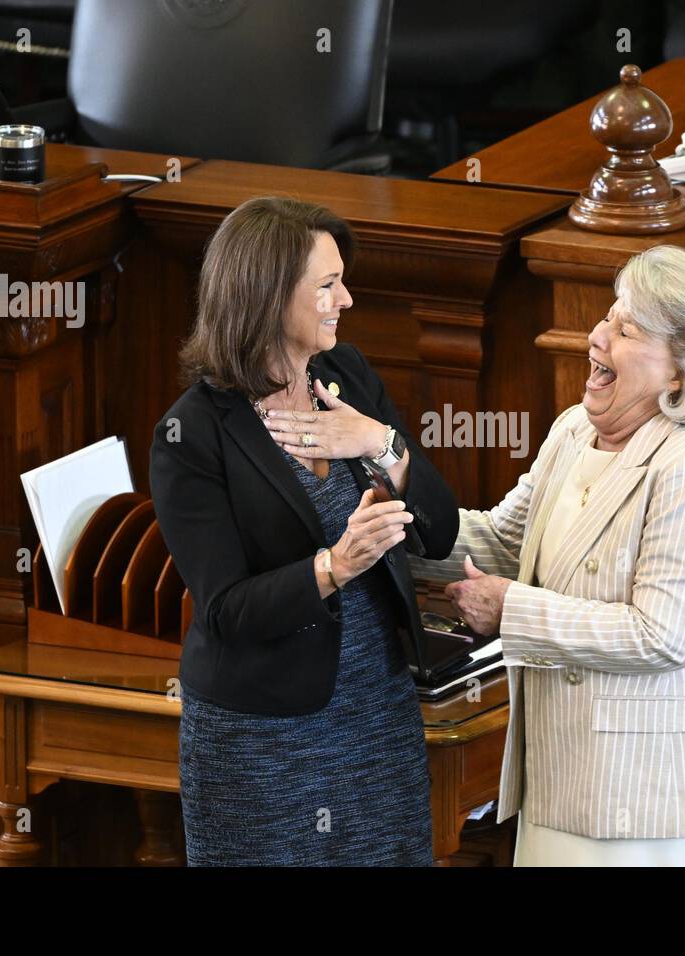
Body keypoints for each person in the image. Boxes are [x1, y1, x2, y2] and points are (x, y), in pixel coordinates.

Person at [411, 244, 685, 865]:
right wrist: (385, 534)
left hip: (658, 796)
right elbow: (502, 544)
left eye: (625, 329)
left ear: (679, 375)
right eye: (608, 315)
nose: (596, 337)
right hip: (568, 772)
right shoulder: (575, 429)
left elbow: (662, 635)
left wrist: (512, 612)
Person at [150, 196, 458, 865]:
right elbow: (228, 610)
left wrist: (380, 441)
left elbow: (440, 529)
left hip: (375, 715)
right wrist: (335, 567)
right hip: (263, 739)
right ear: (266, 296)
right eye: (327, 285)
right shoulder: (192, 435)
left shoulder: (345, 376)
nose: (345, 299)